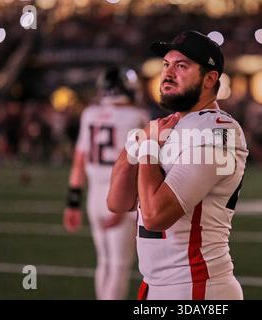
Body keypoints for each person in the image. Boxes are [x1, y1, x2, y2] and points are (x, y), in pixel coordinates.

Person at [107, 30, 248, 300]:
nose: (168, 73)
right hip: (157, 286)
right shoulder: (166, 126)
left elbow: (156, 216)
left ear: (210, 79)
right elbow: (117, 201)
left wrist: (147, 147)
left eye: (181, 66)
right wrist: (135, 146)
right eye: (166, 64)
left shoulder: (220, 131)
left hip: (197, 287)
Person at [63, 65, 149, 300]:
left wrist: (73, 203)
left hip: (94, 196)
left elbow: (79, 161)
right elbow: (139, 165)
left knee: (105, 261)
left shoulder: (89, 114)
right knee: (120, 266)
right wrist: (125, 203)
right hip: (119, 192)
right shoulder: (136, 117)